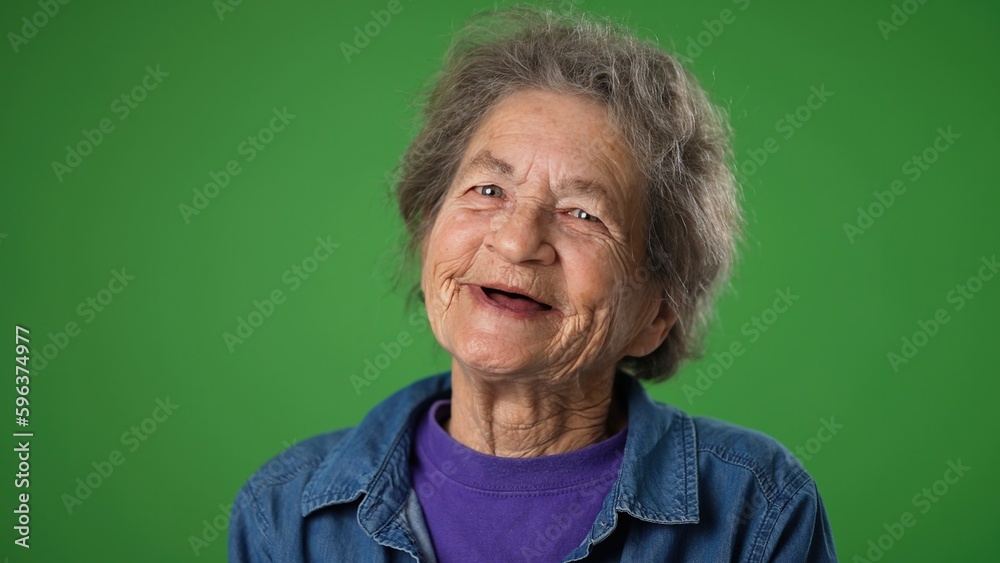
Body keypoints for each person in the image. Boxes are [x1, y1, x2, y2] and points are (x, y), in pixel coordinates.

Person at [229, 6, 837, 562]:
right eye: (488, 191)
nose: (517, 241)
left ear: (656, 313)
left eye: (583, 214)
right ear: (427, 233)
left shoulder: (757, 509)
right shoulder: (286, 512)